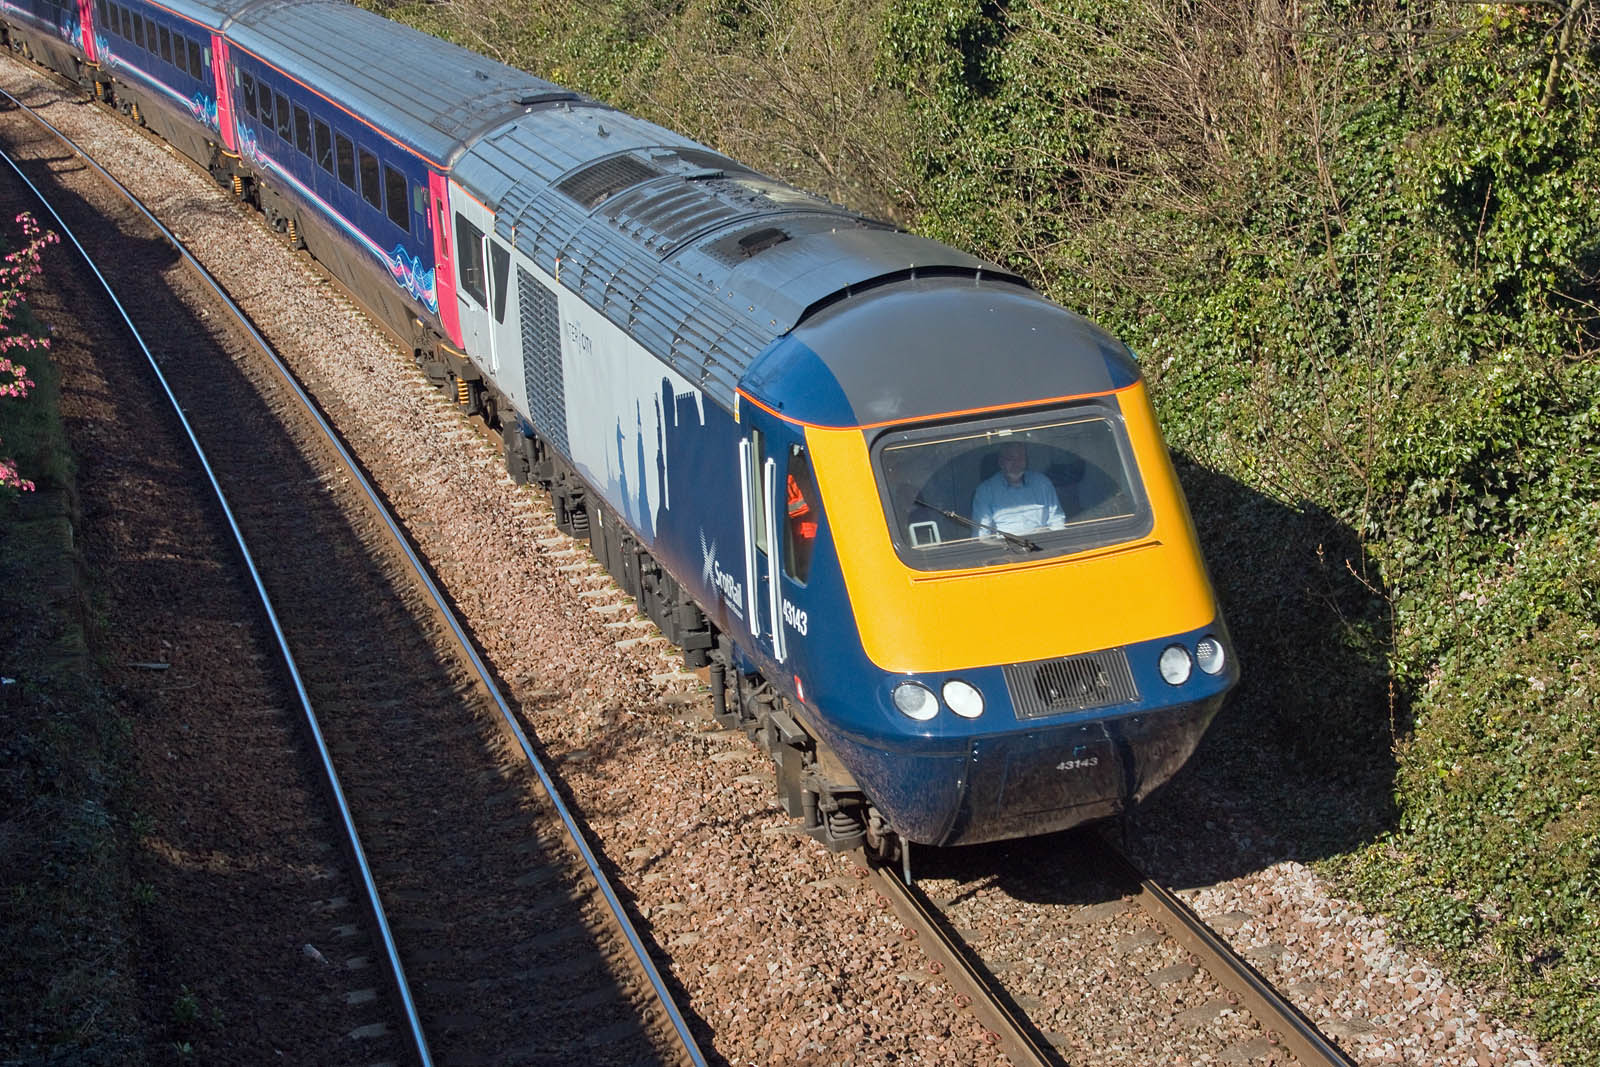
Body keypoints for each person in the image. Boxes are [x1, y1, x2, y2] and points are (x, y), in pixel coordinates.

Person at [971, 442, 1065, 537]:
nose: (1016, 464)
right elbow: (982, 534)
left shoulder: (1042, 483)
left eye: (1020, 458)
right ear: (1001, 462)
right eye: (1010, 459)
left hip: (1043, 543)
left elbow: (1057, 521)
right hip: (1005, 548)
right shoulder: (985, 490)